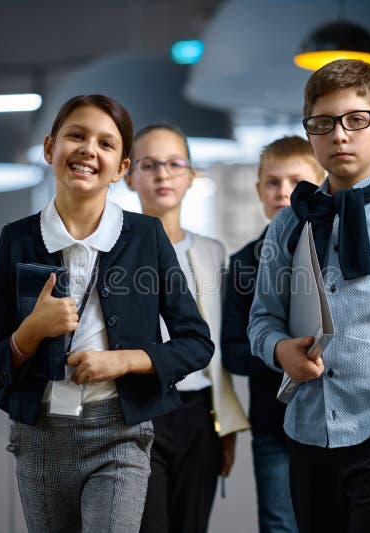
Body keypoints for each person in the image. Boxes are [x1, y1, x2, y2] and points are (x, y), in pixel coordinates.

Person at [0, 95, 214, 533]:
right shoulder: (15, 239)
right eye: (76, 136)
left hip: (120, 433)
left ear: (122, 168)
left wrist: (125, 360)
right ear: (50, 149)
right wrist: (30, 332)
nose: (89, 149)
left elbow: (196, 344)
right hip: (39, 436)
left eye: (106, 144)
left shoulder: (146, 236)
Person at [248, 59, 370, 533]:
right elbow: (260, 321)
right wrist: (279, 351)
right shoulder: (289, 223)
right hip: (307, 430)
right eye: (323, 124)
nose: (339, 135)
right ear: (310, 135)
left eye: (356, 120)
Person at [125, 123, 250, 533]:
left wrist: (226, 423)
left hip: (199, 413)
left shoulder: (211, 252)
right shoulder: (114, 251)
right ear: (128, 174)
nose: (163, 175)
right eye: (149, 164)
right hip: (139, 408)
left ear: (192, 175)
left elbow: (216, 342)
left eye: (175, 164)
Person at [221, 135, 323, 533]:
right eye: (273, 183)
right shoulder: (243, 263)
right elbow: (232, 350)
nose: (283, 193)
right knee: (281, 525)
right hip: (274, 425)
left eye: (295, 182)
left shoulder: (337, 249)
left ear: (318, 182)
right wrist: (282, 357)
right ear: (259, 190)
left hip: (336, 420)